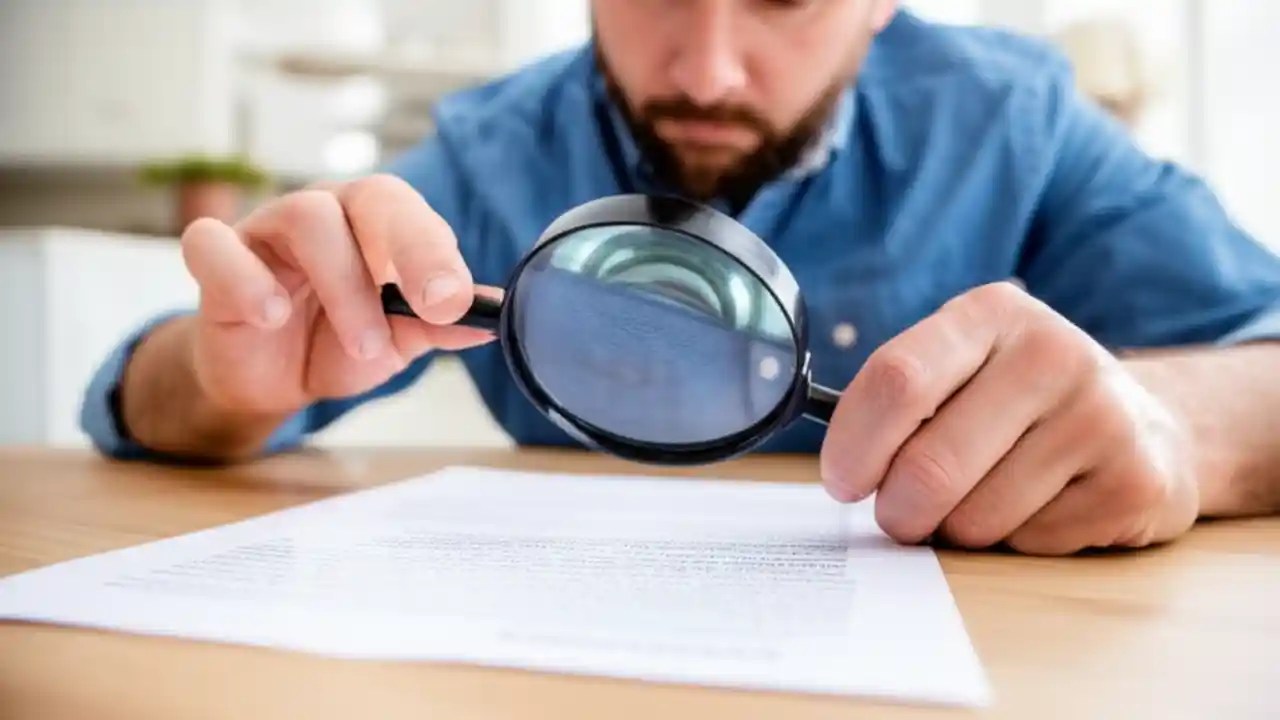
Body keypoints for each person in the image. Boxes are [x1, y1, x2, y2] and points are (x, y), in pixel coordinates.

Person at [82, 1, 1280, 556]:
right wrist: (222, 375)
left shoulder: (1010, 123)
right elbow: (152, 396)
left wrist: (1174, 431)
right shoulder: (491, 149)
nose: (704, 67)